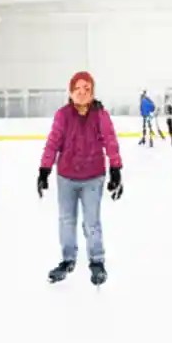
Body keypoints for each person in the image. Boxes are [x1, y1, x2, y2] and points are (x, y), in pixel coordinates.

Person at [37, 71, 124, 286]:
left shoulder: (100, 115)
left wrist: (116, 169)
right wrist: (44, 170)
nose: (82, 93)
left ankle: (97, 261)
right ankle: (67, 260)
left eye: (87, 89)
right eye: (78, 89)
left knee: (92, 222)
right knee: (66, 220)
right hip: (66, 176)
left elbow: (110, 142)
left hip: (93, 177)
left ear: (93, 92)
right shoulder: (63, 115)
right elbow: (53, 143)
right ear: (71, 92)